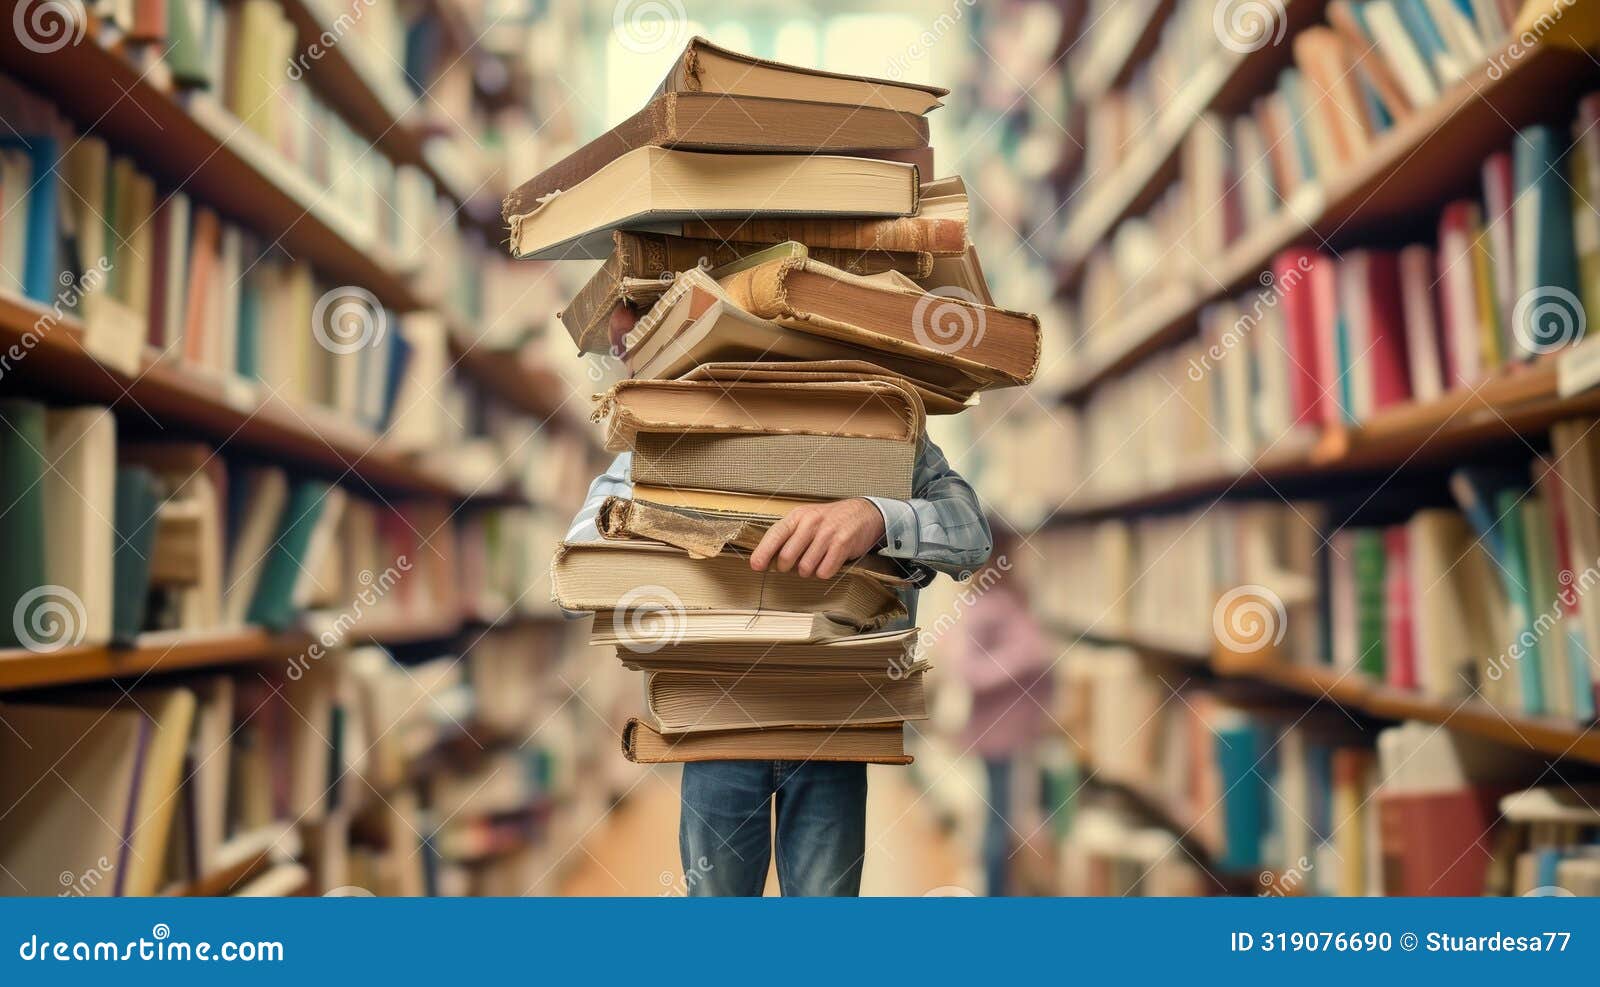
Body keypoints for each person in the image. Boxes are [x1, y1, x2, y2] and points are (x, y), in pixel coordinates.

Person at [567, 309, 991, 896]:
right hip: (718, 718)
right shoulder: (676, 420)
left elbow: (971, 534)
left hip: (831, 719)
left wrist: (875, 515)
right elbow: (581, 557)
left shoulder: (883, 424)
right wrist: (673, 525)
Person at [954, 529, 1051, 896]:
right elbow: (969, 670)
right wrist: (1024, 657)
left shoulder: (1012, 599)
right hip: (997, 735)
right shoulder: (984, 607)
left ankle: (1003, 890)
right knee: (999, 824)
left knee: (1008, 820)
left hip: (1019, 732)